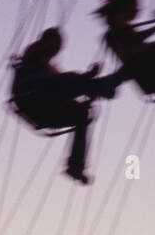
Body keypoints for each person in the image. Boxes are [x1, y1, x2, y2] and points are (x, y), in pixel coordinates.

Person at [10, 28, 118, 184]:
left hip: (44, 103)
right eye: (55, 45)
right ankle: (99, 86)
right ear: (46, 42)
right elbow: (61, 80)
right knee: (70, 79)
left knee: (83, 113)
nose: (56, 50)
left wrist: (87, 78)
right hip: (33, 97)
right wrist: (87, 80)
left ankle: (75, 166)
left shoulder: (45, 64)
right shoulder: (34, 53)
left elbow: (62, 82)